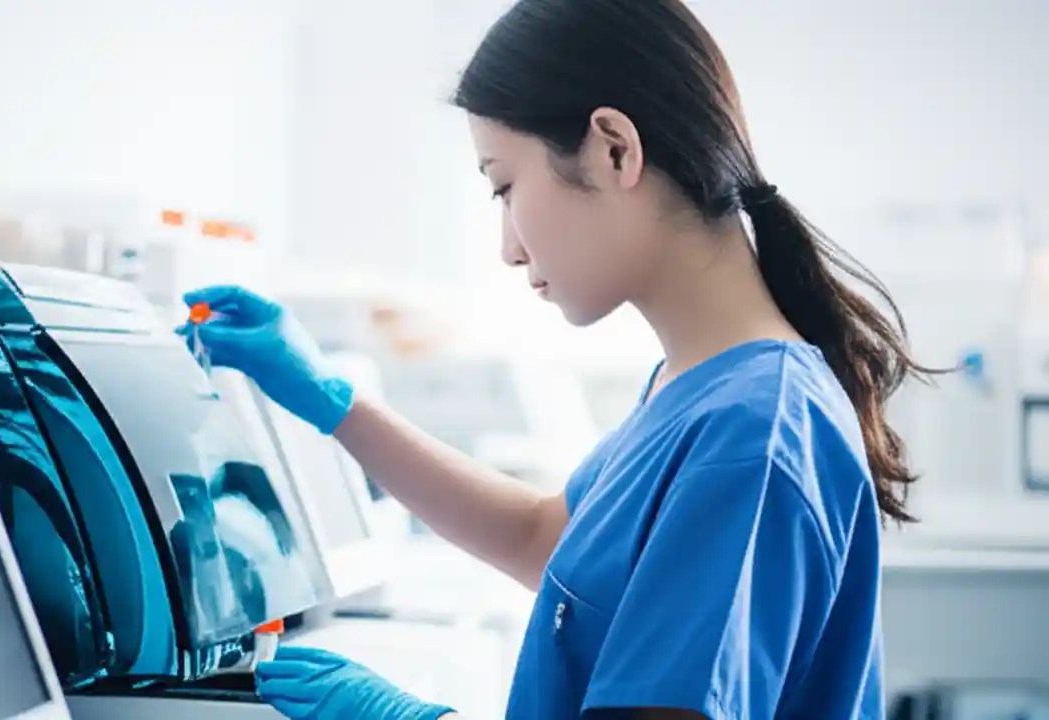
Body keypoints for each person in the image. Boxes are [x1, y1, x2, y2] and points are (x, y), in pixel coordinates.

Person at [180, 0, 936, 717]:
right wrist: (335, 404)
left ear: (614, 149)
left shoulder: (752, 432)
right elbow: (544, 539)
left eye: (504, 186)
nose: (509, 248)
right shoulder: (702, 387)